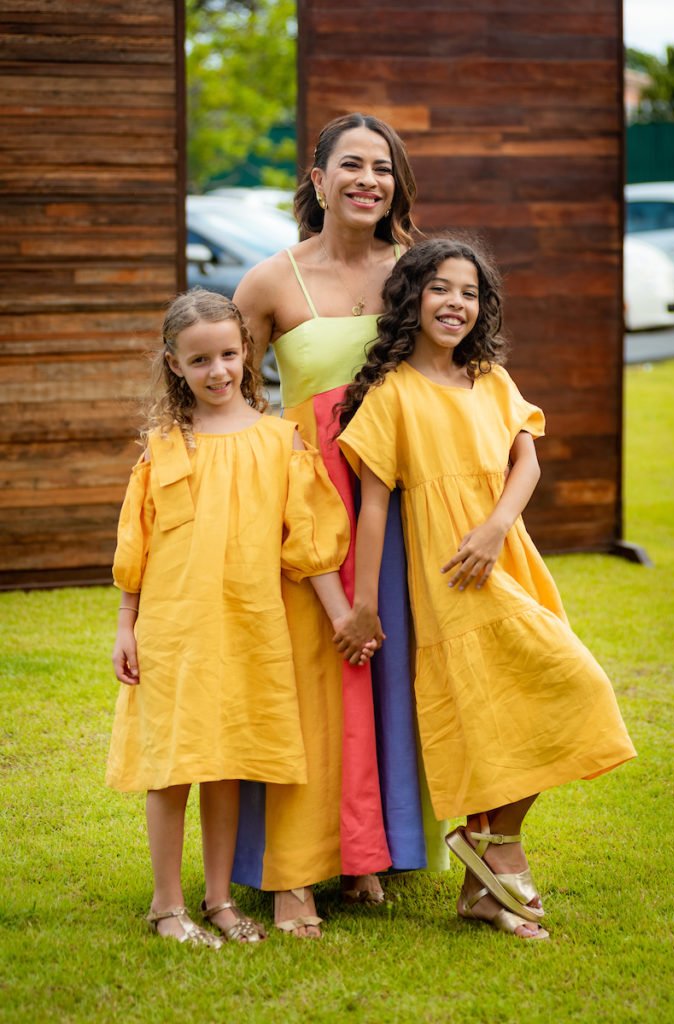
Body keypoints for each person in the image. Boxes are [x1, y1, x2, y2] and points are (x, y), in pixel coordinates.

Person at [335, 237, 636, 940]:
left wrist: (498, 526)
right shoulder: (390, 395)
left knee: (567, 685)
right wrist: (366, 603)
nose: (456, 303)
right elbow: (375, 504)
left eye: (469, 293)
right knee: (494, 716)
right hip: (449, 580)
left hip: (505, 559)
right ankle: (496, 859)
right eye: (440, 288)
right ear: (412, 297)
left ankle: (487, 865)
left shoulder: (491, 378)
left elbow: (523, 465)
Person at [232, 113, 449, 937]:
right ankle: (289, 873)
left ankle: (369, 850)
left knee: (388, 672)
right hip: (308, 506)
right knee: (310, 680)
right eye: (350, 165)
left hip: (402, 501)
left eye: (383, 167)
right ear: (316, 181)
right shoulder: (269, 282)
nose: (369, 179)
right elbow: (231, 397)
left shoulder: (416, 273)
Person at [107, 288, 371, 946]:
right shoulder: (165, 448)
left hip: (248, 627)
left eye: (227, 354)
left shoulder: (280, 443)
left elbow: (308, 548)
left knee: (225, 762)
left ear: (246, 352)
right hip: (174, 630)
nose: (218, 371)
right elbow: (135, 549)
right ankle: (167, 906)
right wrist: (125, 624)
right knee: (173, 766)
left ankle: (220, 899)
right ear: (175, 365)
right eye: (200, 360)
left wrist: (344, 620)